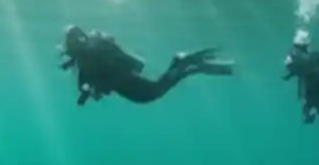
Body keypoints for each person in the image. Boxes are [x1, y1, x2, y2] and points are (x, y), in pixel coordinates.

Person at [58, 25, 234, 106]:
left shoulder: (86, 60)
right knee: (171, 78)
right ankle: (188, 61)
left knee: (166, 83)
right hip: (137, 87)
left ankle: (190, 62)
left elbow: (85, 88)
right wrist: (88, 93)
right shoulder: (89, 57)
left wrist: (92, 92)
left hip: (140, 91)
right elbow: (84, 88)